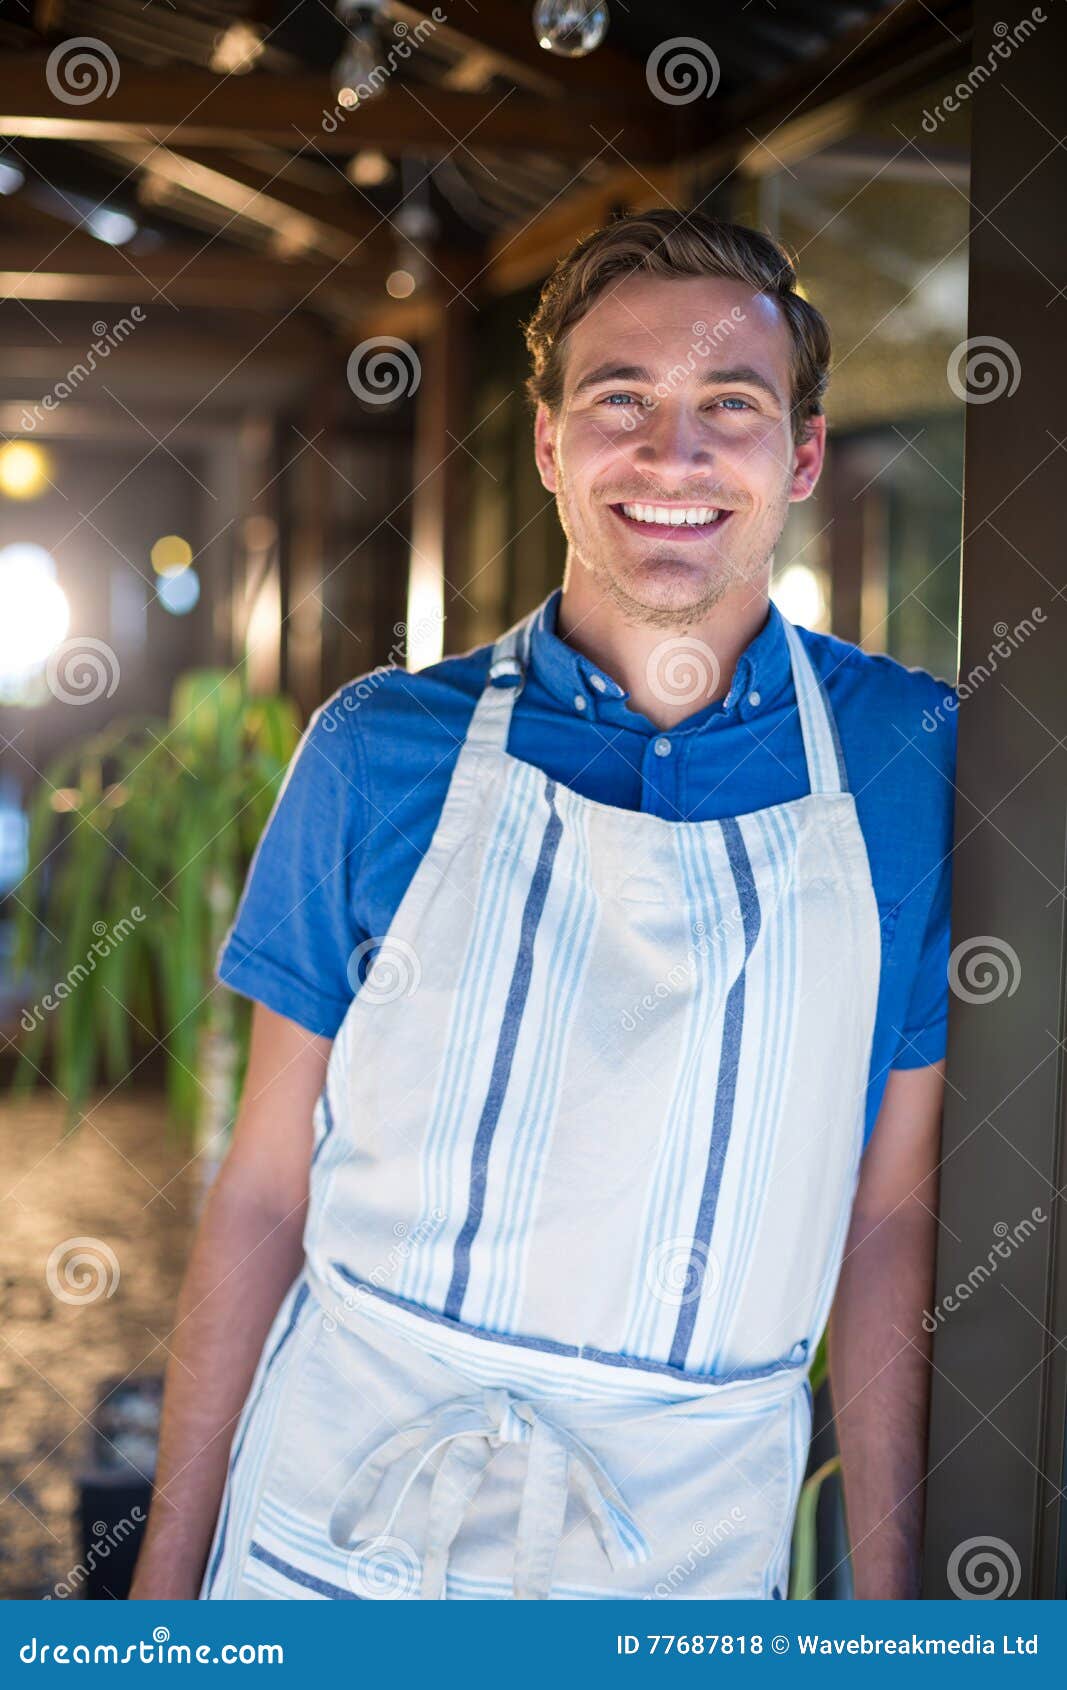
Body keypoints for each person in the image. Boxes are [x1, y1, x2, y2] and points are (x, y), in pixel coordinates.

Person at [130, 209, 956, 1602]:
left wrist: (884, 1609)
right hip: (337, 1520)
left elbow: (889, 1219)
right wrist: (160, 1591)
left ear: (803, 453)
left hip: (685, 1551)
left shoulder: (909, 762)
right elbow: (267, 1188)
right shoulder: (377, 746)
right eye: (619, 400)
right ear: (549, 444)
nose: (672, 455)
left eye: (730, 407)